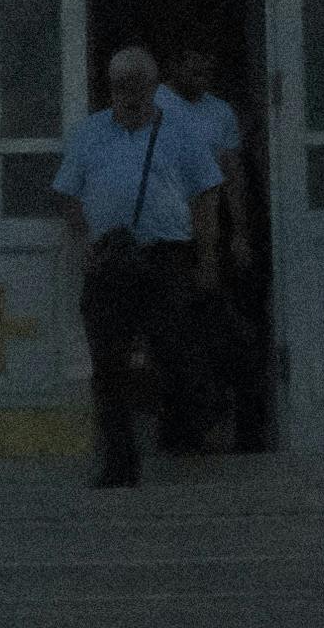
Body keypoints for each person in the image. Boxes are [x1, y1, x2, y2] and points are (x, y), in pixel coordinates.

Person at [48, 43, 223, 491]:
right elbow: (67, 192)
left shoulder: (181, 133)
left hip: (165, 257)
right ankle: (120, 464)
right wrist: (85, 239)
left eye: (136, 85)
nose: (127, 94)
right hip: (110, 259)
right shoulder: (89, 134)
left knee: (175, 350)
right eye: (118, 86)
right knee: (107, 362)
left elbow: (206, 194)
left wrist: (207, 258)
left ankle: (184, 435)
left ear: (153, 86)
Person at [162, 32, 273, 452]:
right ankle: (181, 431)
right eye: (193, 69)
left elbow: (232, 173)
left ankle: (243, 428)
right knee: (175, 331)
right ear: (175, 67)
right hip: (169, 228)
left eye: (208, 70)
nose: (202, 77)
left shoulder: (221, 112)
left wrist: (240, 232)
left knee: (228, 328)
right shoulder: (155, 107)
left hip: (214, 228)